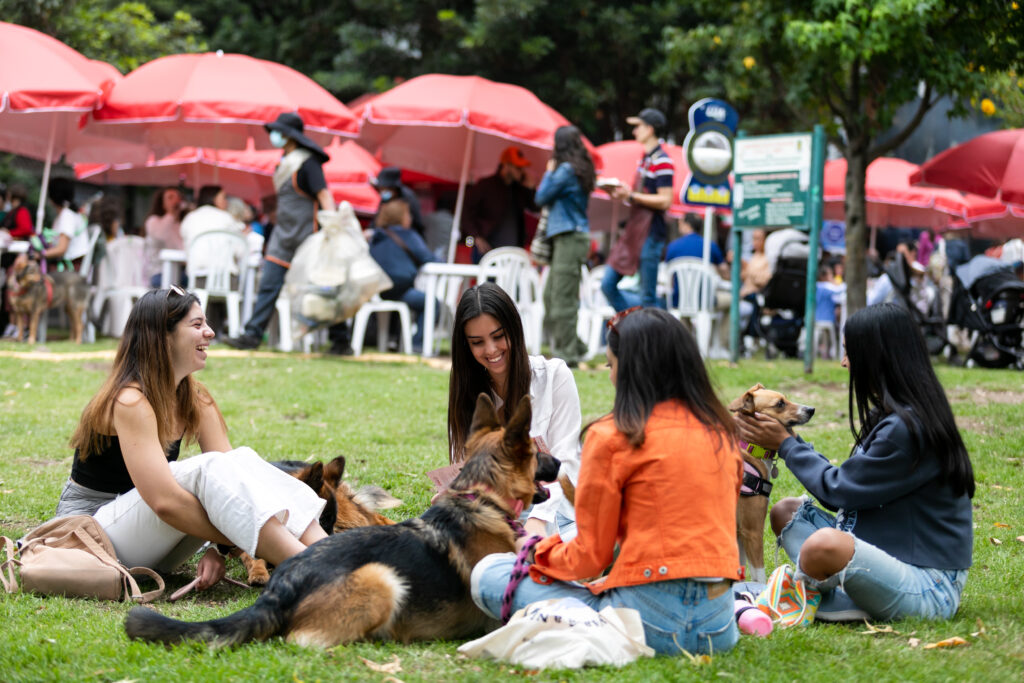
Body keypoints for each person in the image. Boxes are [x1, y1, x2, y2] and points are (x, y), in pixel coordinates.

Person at [470, 307, 742, 656]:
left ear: (630, 369)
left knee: (489, 573)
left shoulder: (613, 434)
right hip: (718, 628)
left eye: (611, 366)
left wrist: (535, 552)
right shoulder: (723, 432)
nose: (611, 375)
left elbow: (590, 557)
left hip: (645, 623)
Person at [55, 287, 328, 588]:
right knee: (205, 469)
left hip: (154, 545)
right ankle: (313, 570)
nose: (210, 333)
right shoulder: (130, 402)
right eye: (197, 325)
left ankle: (332, 555)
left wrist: (218, 548)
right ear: (162, 337)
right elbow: (165, 503)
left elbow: (234, 475)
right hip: (91, 539)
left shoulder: (195, 399)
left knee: (241, 461)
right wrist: (241, 533)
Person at [735, 303, 973, 623]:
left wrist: (786, 445)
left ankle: (815, 595)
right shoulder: (896, 413)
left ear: (877, 356)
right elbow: (848, 483)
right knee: (787, 512)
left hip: (928, 587)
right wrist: (788, 442)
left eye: (850, 352)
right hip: (885, 553)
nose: (844, 362)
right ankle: (841, 594)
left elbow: (840, 490)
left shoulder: (905, 429)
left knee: (824, 545)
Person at [448, 282, 582, 538]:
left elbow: (567, 466)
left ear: (515, 329)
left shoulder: (555, 377)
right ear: (466, 346)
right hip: (496, 512)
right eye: (477, 342)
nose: (491, 350)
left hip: (557, 510)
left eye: (498, 337)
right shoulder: (467, 388)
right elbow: (465, 467)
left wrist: (538, 519)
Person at [226, 112, 337, 351]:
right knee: (268, 285)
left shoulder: (307, 163)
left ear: (288, 135)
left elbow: (324, 195)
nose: (274, 136)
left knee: (322, 287)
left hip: (309, 235)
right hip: (283, 235)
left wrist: (333, 226)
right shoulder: (285, 163)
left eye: (278, 132)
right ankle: (252, 336)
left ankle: (341, 340)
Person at [602, 108, 674, 311]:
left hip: (651, 234)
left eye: (638, 127)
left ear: (650, 129)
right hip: (634, 232)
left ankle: (646, 336)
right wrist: (622, 194)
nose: (635, 132)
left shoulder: (662, 161)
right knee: (607, 284)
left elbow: (665, 200)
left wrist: (631, 196)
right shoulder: (645, 159)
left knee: (648, 297)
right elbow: (643, 196)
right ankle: (632, 325)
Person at [535, 125, 595, 367]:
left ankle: (567, 355)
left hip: (571, 236)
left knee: (562, 299)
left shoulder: (566, 170)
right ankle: (576, 346)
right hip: (568, 237)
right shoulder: (578, 168)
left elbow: (540, 197)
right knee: (551, 297)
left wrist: (549, 172)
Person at [367, 196, 440, 352]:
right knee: (431, 303)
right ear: (402, 216)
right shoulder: (409, 235)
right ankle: (418, 344)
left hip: (376, 290)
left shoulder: (375, 236)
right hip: (400, 290)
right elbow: (428, 258)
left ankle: (399, 342)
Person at [462, 146, 538, 262]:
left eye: (522, 168)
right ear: (506, 165)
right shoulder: (486, 185)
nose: (521, 171)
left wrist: (531, 189)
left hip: (513, 253)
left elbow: (535, 207)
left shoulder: (519, 189)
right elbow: (465, 211)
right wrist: (476, 237)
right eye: (518, 168)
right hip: (487, 251)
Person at [38, 177, 90, 271]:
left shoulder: (66, 216)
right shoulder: (68, 214)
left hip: (70, 269)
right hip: (70, 266)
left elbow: (61, 249)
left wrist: (39, 254)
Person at [143, 187, 187, 287]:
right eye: (170, 198)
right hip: (158, 272)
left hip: (180, 272)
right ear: (161, 203)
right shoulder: (153, 221)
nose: (176, 201)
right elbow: (160, 236)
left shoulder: (181, 225)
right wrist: (171, 214)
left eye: (178, 197)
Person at [372, 166, 427, 237]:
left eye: (384, 188)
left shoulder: (408, 198)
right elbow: (378, 218)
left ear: (394, 188)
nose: (382, 191)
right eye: (381, 189)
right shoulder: (386, 199)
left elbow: (417, 223)